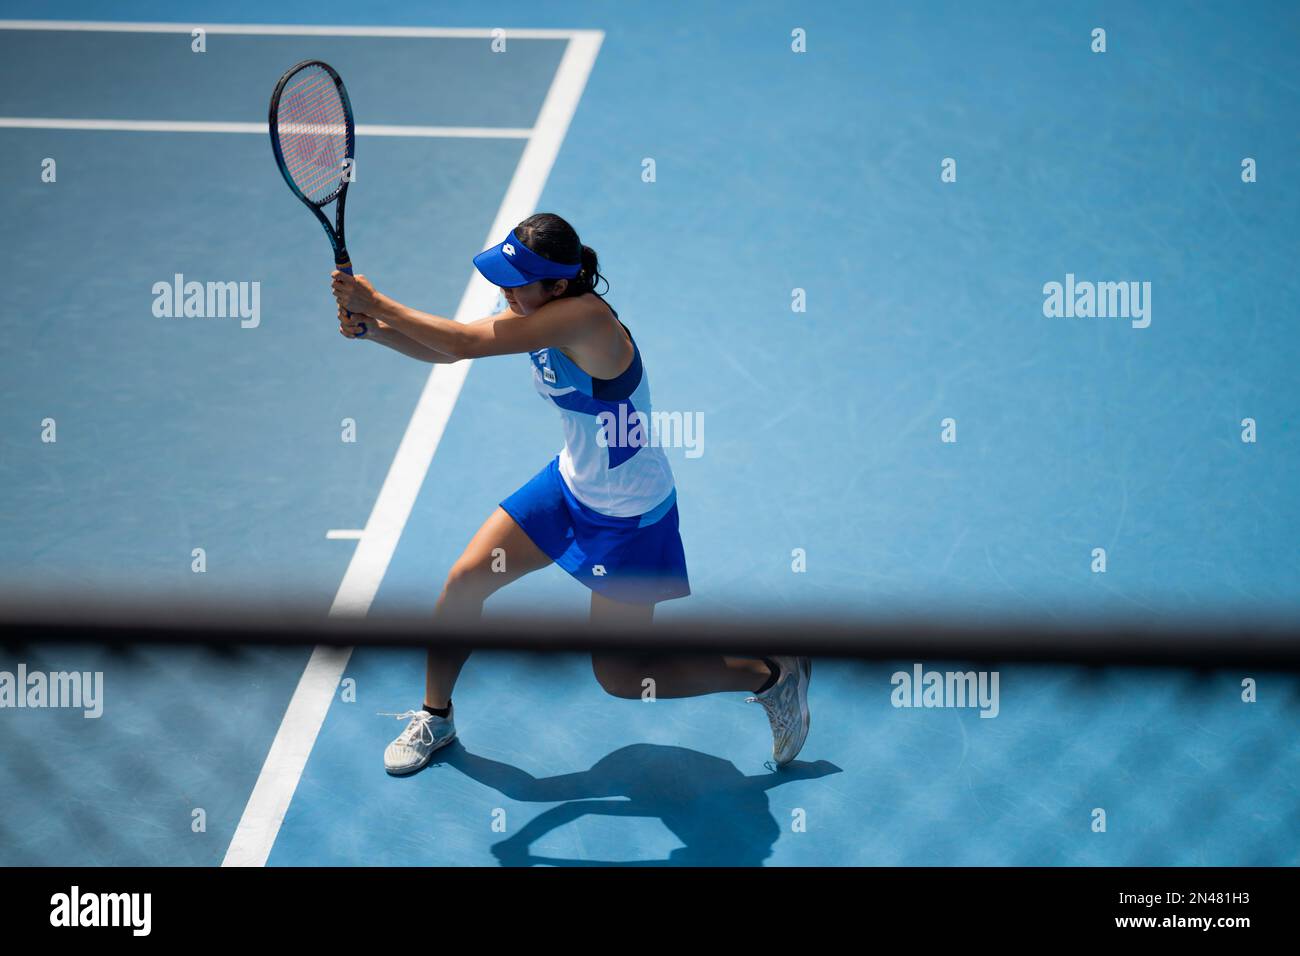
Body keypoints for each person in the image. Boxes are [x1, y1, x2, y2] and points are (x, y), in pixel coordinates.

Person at [329, 212, 811, 774]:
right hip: (568, 486)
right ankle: (436, 715)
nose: (505, 291)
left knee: (624, 678)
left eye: (517, 281)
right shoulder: (535, 309)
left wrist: (377, 302)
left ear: (558, 285)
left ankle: (772, 673)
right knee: (464, 582)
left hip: (631, 517)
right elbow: (450, 349)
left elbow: (460, 343)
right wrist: (375, 333)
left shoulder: (584, 321)